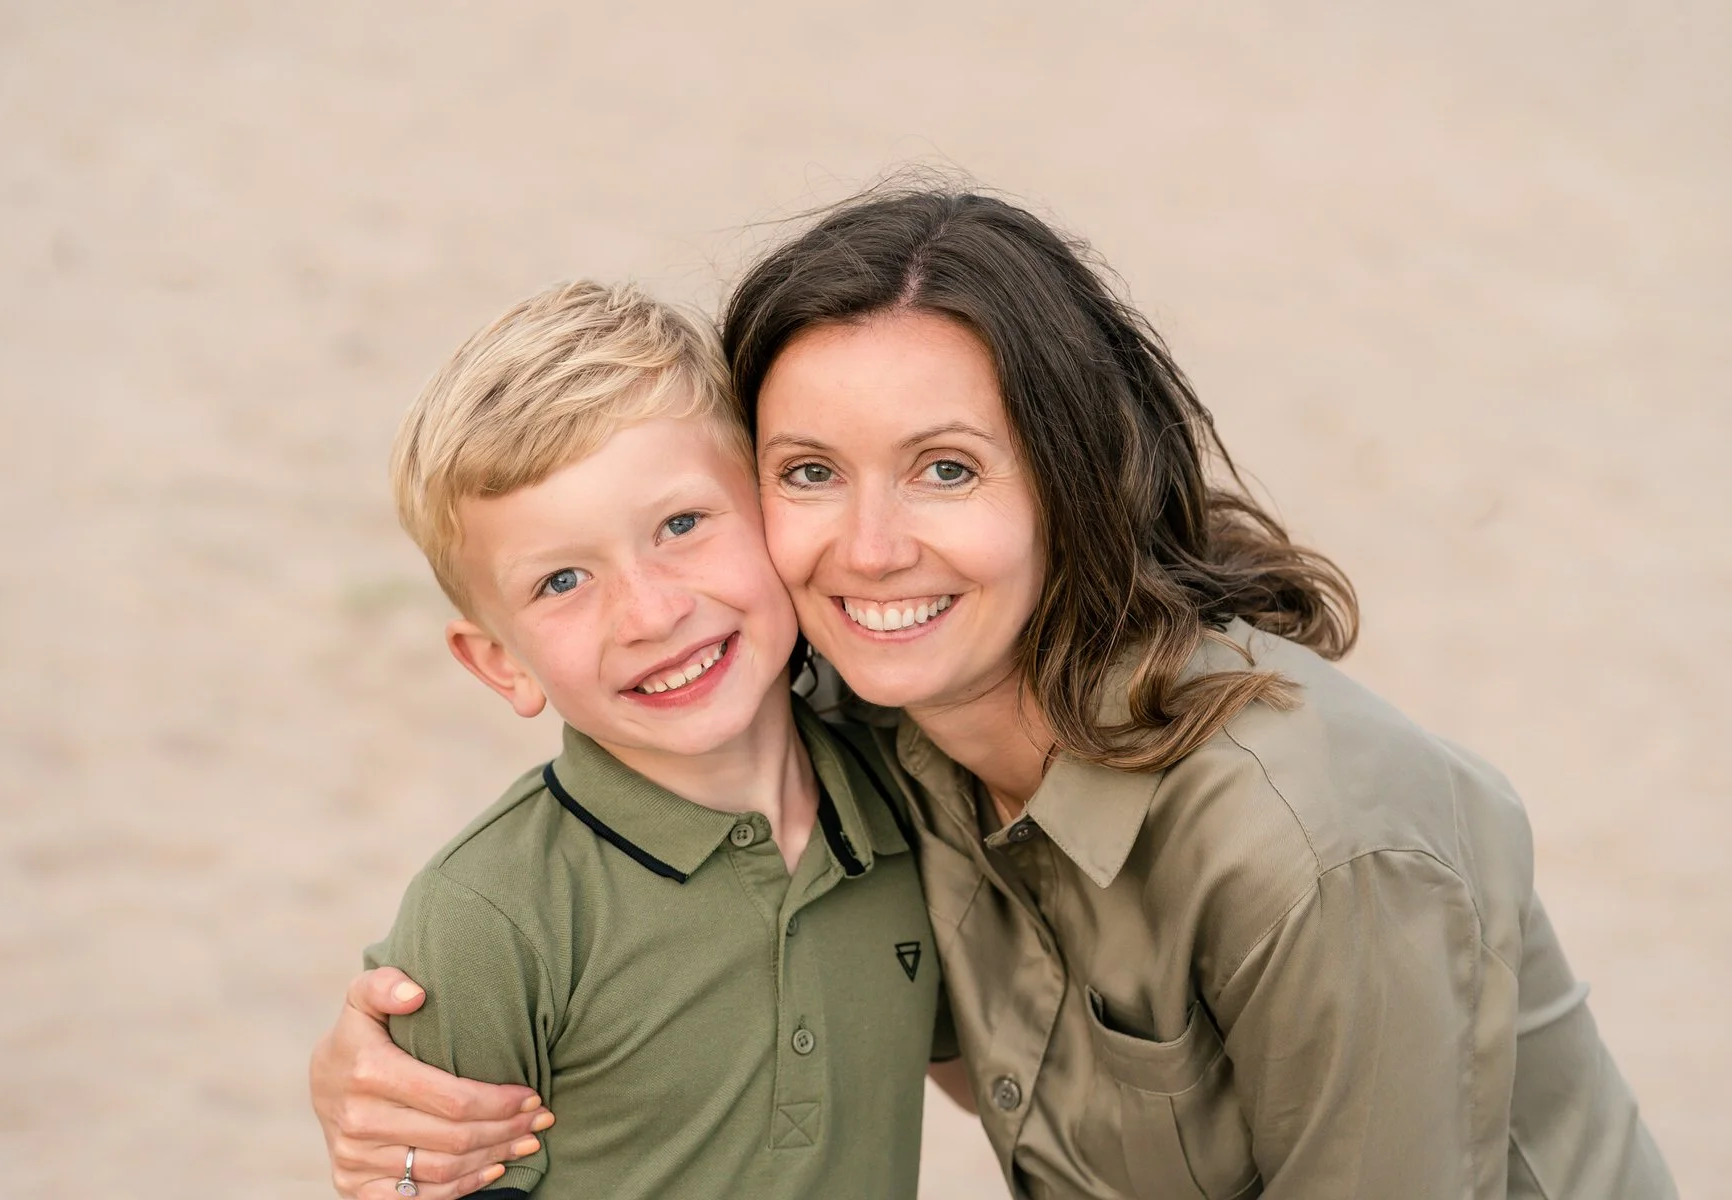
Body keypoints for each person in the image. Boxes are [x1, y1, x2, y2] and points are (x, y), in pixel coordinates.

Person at [312, 191, 1676, 1198]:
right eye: (809, 472)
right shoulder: (863, 742)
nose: (870, 549)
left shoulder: (1312, 839)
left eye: (948, 469)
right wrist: (383, 1076)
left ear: (1070, 479)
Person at [331, 280, 950, 1199]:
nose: (652, 613)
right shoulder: (486, 920)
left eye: (681, 525)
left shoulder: (908, 787)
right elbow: (406, 1165)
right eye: (562, 581)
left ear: (774, 511)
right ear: (500, 664)